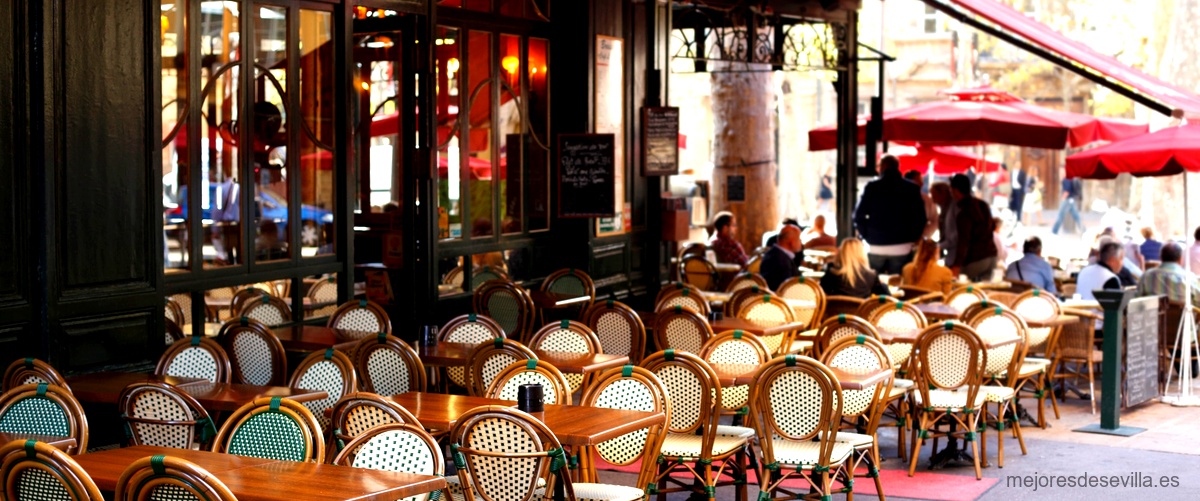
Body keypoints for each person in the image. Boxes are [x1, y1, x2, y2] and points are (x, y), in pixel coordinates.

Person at [853, 155, 927, 274]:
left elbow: (858, 216)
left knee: (873, 284)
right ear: (897, 167)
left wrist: (867, 235)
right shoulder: (912, 188)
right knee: (897, 284)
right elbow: (920, 218)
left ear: (883, 167)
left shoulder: (872, 187)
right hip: (903, 246)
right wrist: (913, 237)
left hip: (875, 244)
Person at [949, 174, 998, 282]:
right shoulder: (982, 205)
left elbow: (964, 241)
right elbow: (993, 226)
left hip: (976, 259)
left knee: (961, 287)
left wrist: (956, 265)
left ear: (956, 190)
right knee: (985, 291)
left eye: (951, 190)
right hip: (992, 256)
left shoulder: (964, 214)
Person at [820, 237, 889, 298]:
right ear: (862, 253)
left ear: (842, 252)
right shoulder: (871, 275)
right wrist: (883, 285)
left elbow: (821, 291)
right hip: (862, 312)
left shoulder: (832, 272)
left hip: (835, 312)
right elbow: (886, 297)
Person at [1136, 242, 1200, 304]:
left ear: (1160, 257)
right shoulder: (1189, 278)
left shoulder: (1147, 276)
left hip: (1153, 314)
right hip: (1183, 315)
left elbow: (1137, 299)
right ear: (1180, 258)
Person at [760, 224, 803, 290]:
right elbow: (786, 289)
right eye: (799, 239)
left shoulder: (773, 253)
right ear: (792, 242)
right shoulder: (781, 261)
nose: (801, 243)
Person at [904, 170, 939, 239]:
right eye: (918, 181)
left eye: (921, 181)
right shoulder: (900, 199)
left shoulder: (927, 200)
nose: (921, 183)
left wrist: (924, 235)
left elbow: (935, 220)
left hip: (920, 240)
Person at [930, 182, 957, 265]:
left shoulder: (951, 209)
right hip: (951, 253)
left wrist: (938, 246)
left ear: (943, 194)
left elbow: (953, 238)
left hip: (955, 255)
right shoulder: (946, 208)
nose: (932, 198)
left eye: (934, 194)